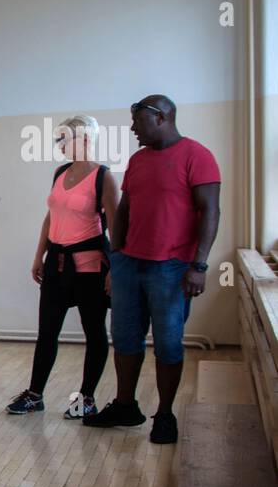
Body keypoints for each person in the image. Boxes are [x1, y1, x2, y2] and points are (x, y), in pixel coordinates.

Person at [83, 95, 221, 444]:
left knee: (168, 343)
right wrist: (117, 260)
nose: (132, 128)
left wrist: (199, 265)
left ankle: (164, 414)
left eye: (137, 121)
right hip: (130, 263)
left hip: (172, 268)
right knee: (125, 339)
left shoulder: (198, 156)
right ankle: (126, 406)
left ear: (160, 117)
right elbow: (125, 210)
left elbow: (210, 212)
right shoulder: (138, 161)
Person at [7, 116, 117, 418]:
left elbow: (117, 229)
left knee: (94, 332)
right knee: (47, 332)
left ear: (84, 139)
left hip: (90, 267)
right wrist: (38, 255)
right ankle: (34, 395)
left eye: (64, 139)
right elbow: (50, 216)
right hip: (57, 264)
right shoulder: (60, 173)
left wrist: (116, 272)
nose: (59, 146)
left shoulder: (103, 177)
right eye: (58, 140)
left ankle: (87, 398)